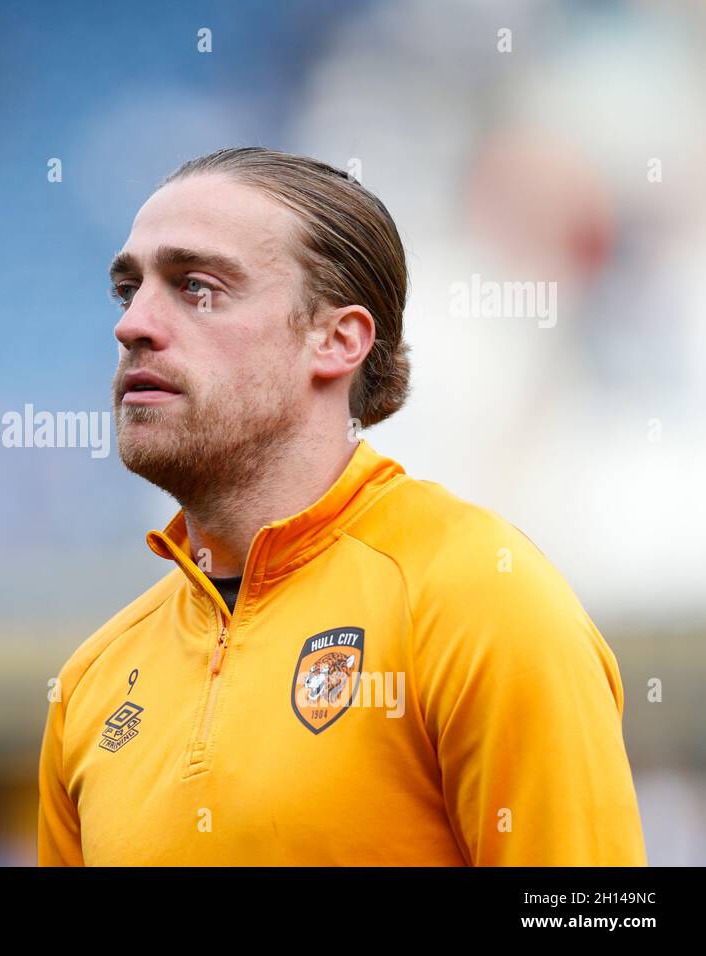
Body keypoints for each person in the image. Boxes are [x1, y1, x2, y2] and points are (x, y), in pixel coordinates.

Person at [36, 147, 646, 866]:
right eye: (127, 290)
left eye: (195, 286)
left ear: (337, 340)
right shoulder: (92, 684)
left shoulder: (475, 597)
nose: (132, 324)